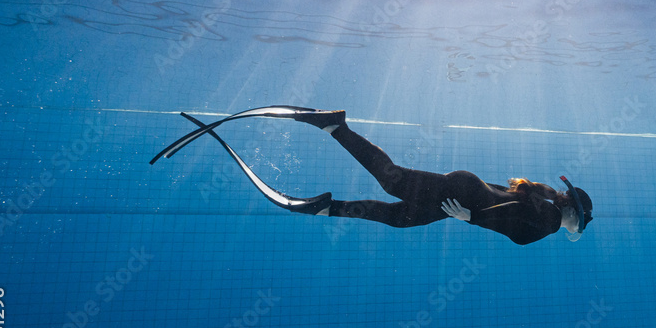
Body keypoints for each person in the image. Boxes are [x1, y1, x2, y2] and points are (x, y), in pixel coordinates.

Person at [151, 106, 592, 245]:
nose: (578, 228)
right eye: (581, 222)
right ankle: (334, 126)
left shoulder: (550, 202)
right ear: (575, 214)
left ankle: (328, 207)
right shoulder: (553, 220)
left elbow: (511, 200)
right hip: (467, 201)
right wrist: (470, 219)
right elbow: (513, 218)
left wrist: (472, 208)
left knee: (401, 218)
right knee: (393, 181)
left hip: (468, 190)